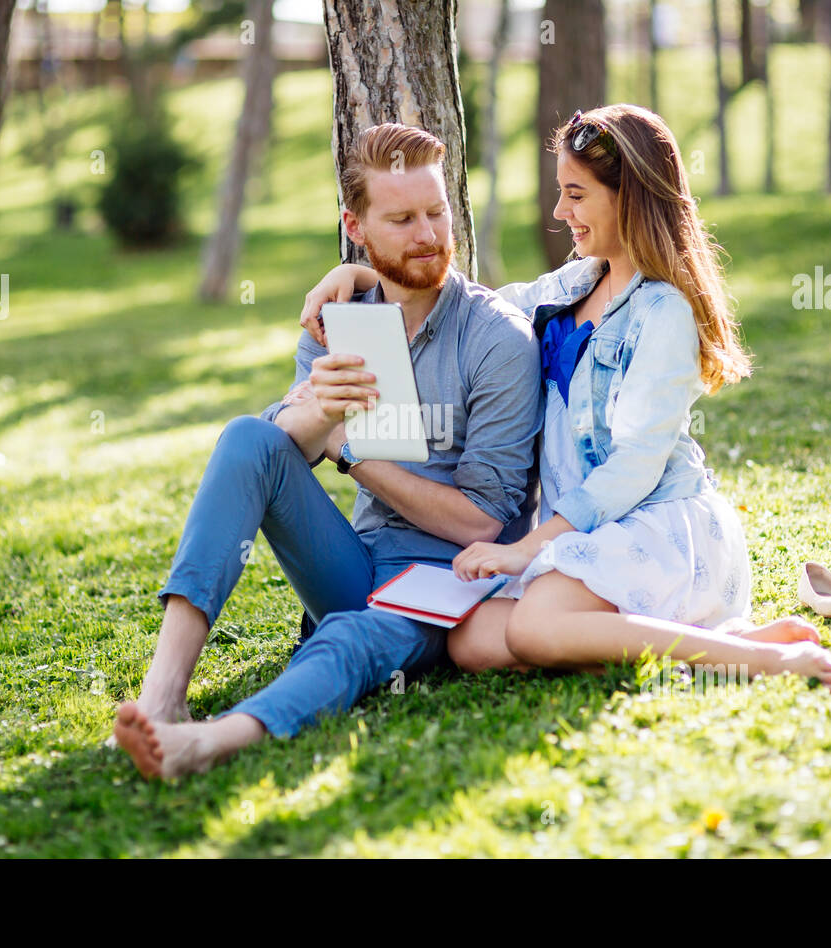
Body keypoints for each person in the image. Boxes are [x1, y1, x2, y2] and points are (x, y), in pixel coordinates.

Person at [300, 105, 831, 687]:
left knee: (533, 628)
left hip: (655, 526)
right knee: (470, 641)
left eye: (576, 195)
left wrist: (526, 549)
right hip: (586, 539)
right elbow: (461, 302)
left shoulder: (664, 312)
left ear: (628, 197)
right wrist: (359, 278)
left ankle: (758, 660)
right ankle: (712, 638)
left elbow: (632, 471)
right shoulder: (570, 285)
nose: (561, 213)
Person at [113, 123, 544, 778]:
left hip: (451, 583)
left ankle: (208, 743)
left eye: (436, 212)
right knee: (246, 435)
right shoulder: (342, 317)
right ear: (357, 225)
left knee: (352, 638)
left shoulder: (496, 342)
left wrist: (349, 449)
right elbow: (270, 454)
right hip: (357, 562)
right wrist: (319, 409)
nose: (427, 235)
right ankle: (164, 694)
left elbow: (481, 522)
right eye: (401, 219)